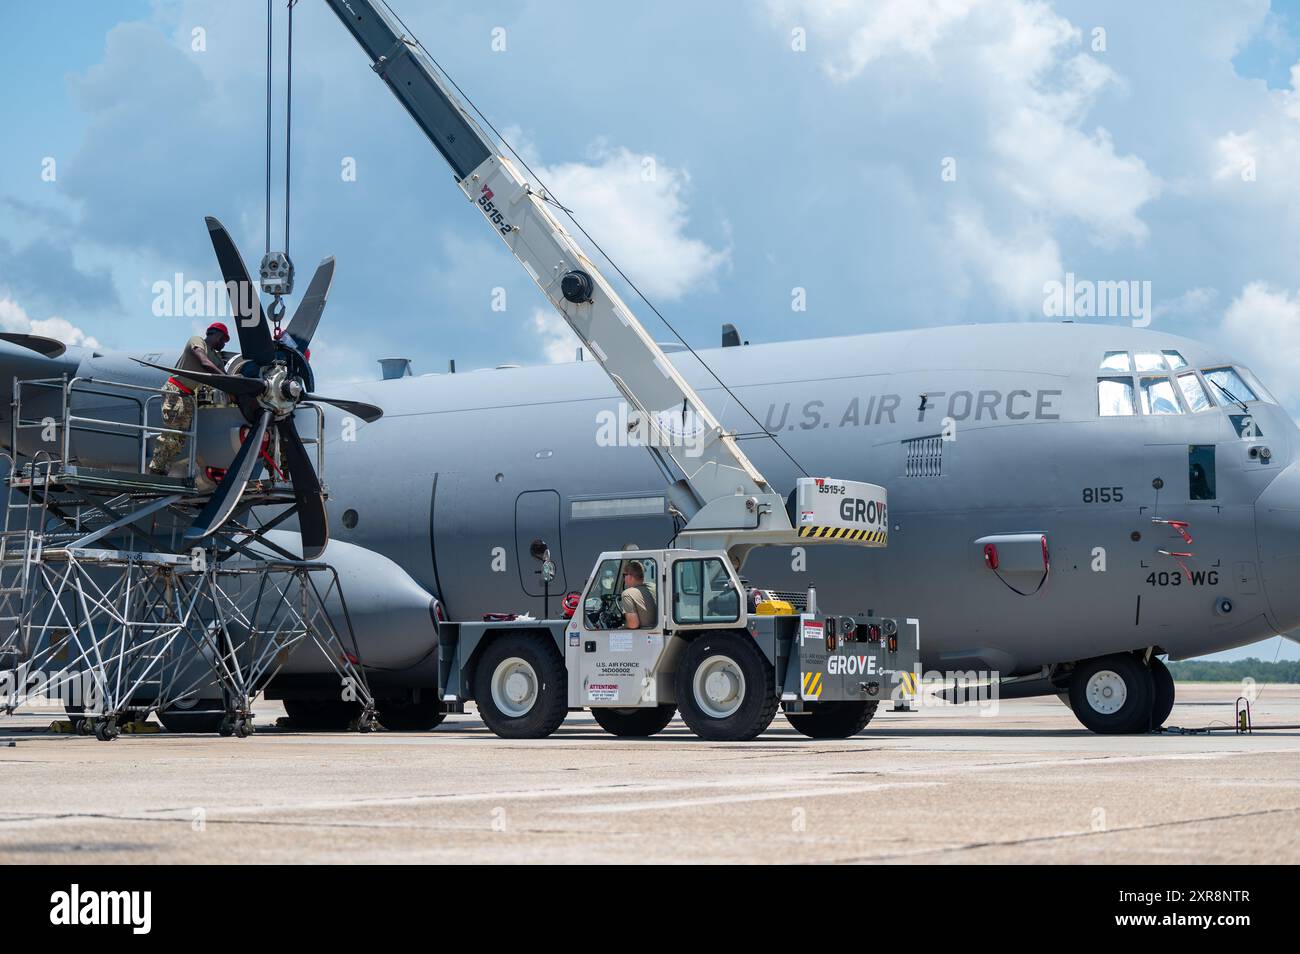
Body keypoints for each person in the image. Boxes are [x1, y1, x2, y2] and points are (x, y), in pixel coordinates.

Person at [148, 322, 231, 476]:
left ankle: (162, 470)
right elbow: (204, 362)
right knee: (172, 433)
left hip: (188, 397)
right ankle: (155, 471)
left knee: (179, 438)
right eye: (224, 340)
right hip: (176, 390)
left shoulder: (216, 358)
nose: (224, 344)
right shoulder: (197, 341)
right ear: (217, 335)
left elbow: (224, 374)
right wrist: (228, 381)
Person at [619, 561, 657, 630]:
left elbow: (633, 625)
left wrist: (623, 626)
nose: (624, 578)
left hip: (643, 634)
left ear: (629, 577)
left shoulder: (627, 594)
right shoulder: (653, 586)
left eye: (624, 575)